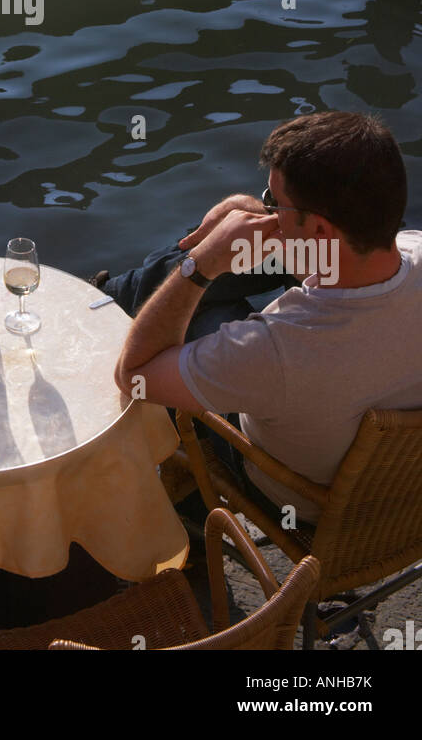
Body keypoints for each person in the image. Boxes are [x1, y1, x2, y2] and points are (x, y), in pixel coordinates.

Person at [113, 111, 422, 525]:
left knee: (200, 305)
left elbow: (134, 373)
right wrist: (251, 216)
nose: (270, 214)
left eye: (276, 205)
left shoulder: (275, 350)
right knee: (253, 256)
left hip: (300, 503)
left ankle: (192, 533)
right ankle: (122, 291)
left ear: (320, 230)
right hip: (399, 488)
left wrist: (201, 264)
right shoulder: (412, 247)